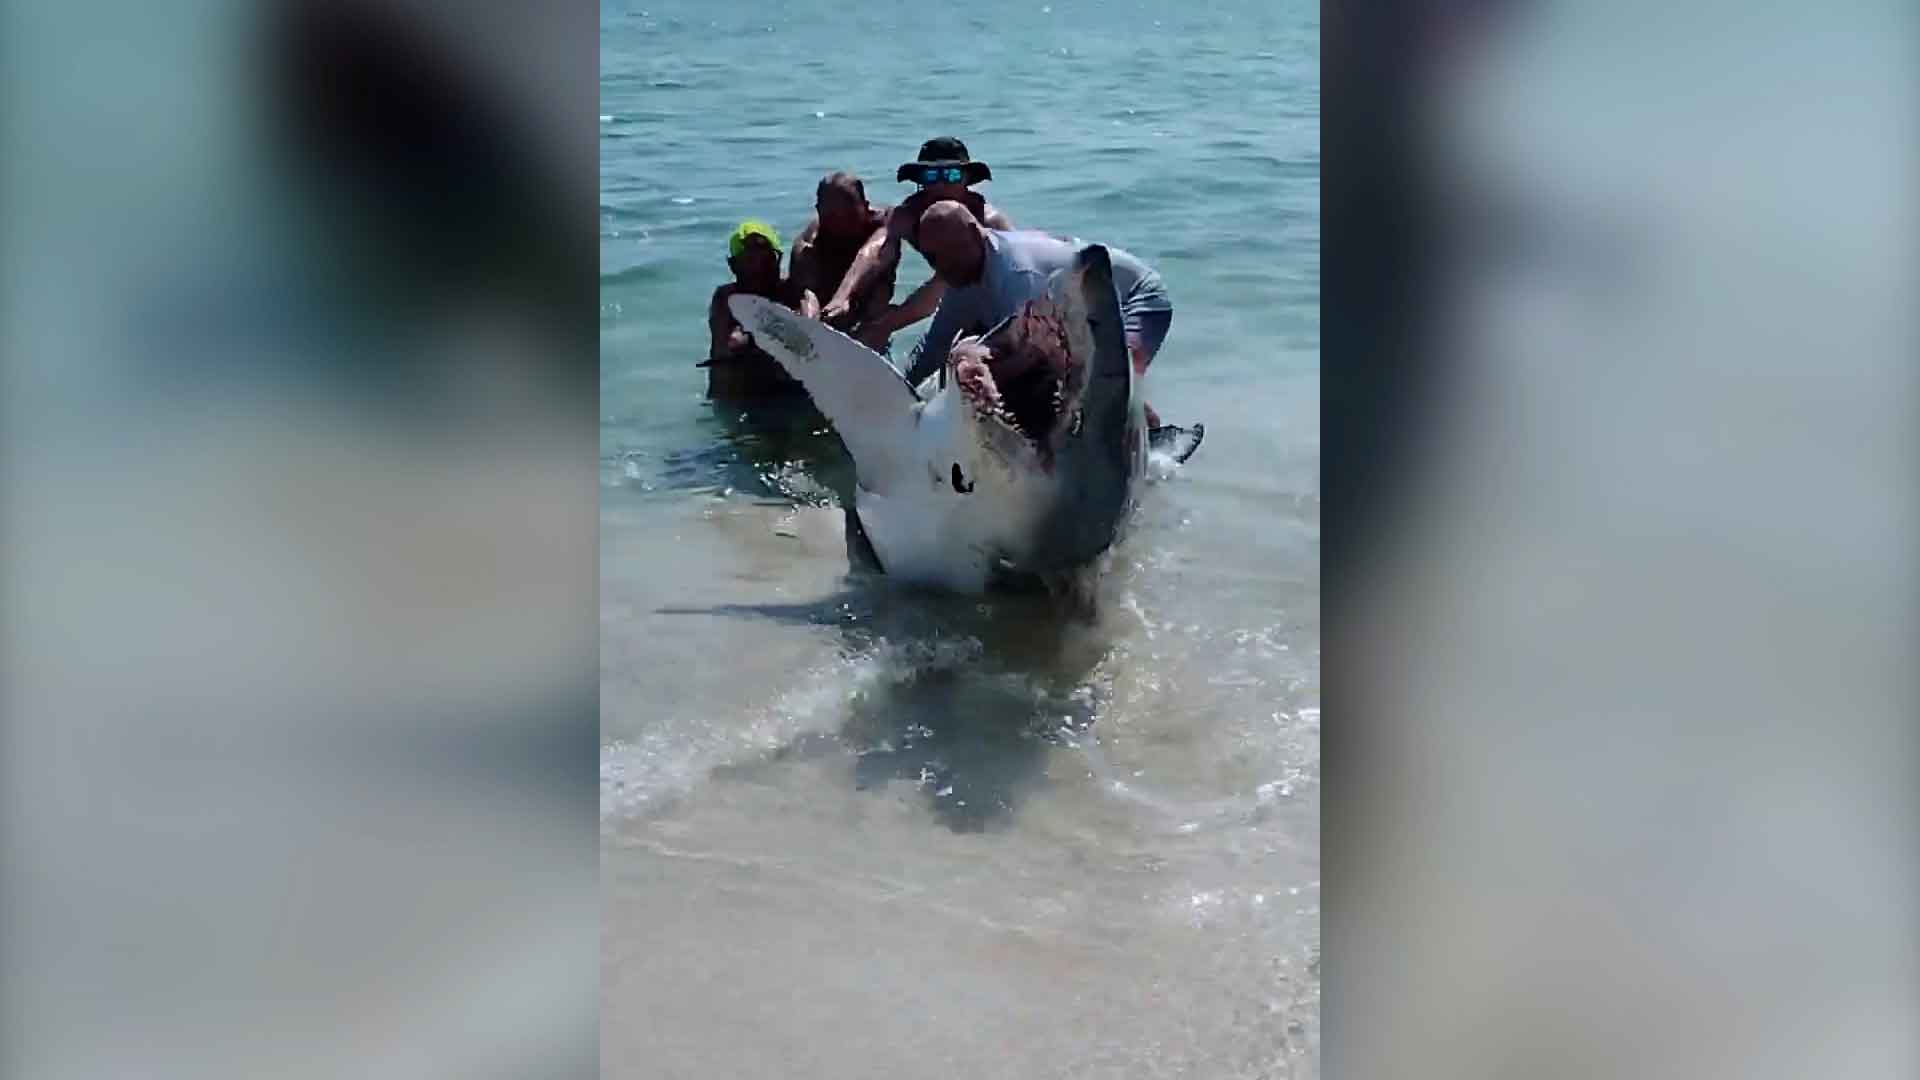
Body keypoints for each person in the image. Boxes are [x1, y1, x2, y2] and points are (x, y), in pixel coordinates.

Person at [906, 201, 1173, 426]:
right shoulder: (960, 279)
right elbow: (935, 349)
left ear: (976, 233)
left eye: (951, 253)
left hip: (1135, 297)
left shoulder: (1017, 275)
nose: (943, 267)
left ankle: (1148, 430)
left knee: (1104, 384)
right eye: (933, 259)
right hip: (1072, 313)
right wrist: (906, 402)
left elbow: (1040, 357)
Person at [821, 137, 1014, 349]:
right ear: (920, 181)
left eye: (952, 175)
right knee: (916, 369)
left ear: (966, 179)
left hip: (1004, 307)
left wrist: (885, 326)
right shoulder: (908, 215)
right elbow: (877, 251)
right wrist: (843, 296)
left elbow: (939, 290)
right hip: (956, 302)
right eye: (932, 176)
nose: (941, 185)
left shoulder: (988, 222)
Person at [703, 220, 819, 398]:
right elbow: (731, 344)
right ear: (733, 266)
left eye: (766, 260)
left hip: (790, 397)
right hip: (738, 400)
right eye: (749, 261)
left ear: (778, 260)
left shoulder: (795, 293)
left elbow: (810, 329)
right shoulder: (725, 298)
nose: (759, 269)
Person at [786, 172, 895, 348]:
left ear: (865, 207)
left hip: (868, 319)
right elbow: (806, 290)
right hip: (825, 314)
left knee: (878, 293)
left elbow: (872, 253)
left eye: (848, 215)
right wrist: (810, 321)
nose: (839, 225)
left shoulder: (885, 223)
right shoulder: (809, 243)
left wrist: (843, 296)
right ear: (818, 211)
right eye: (831, 217)